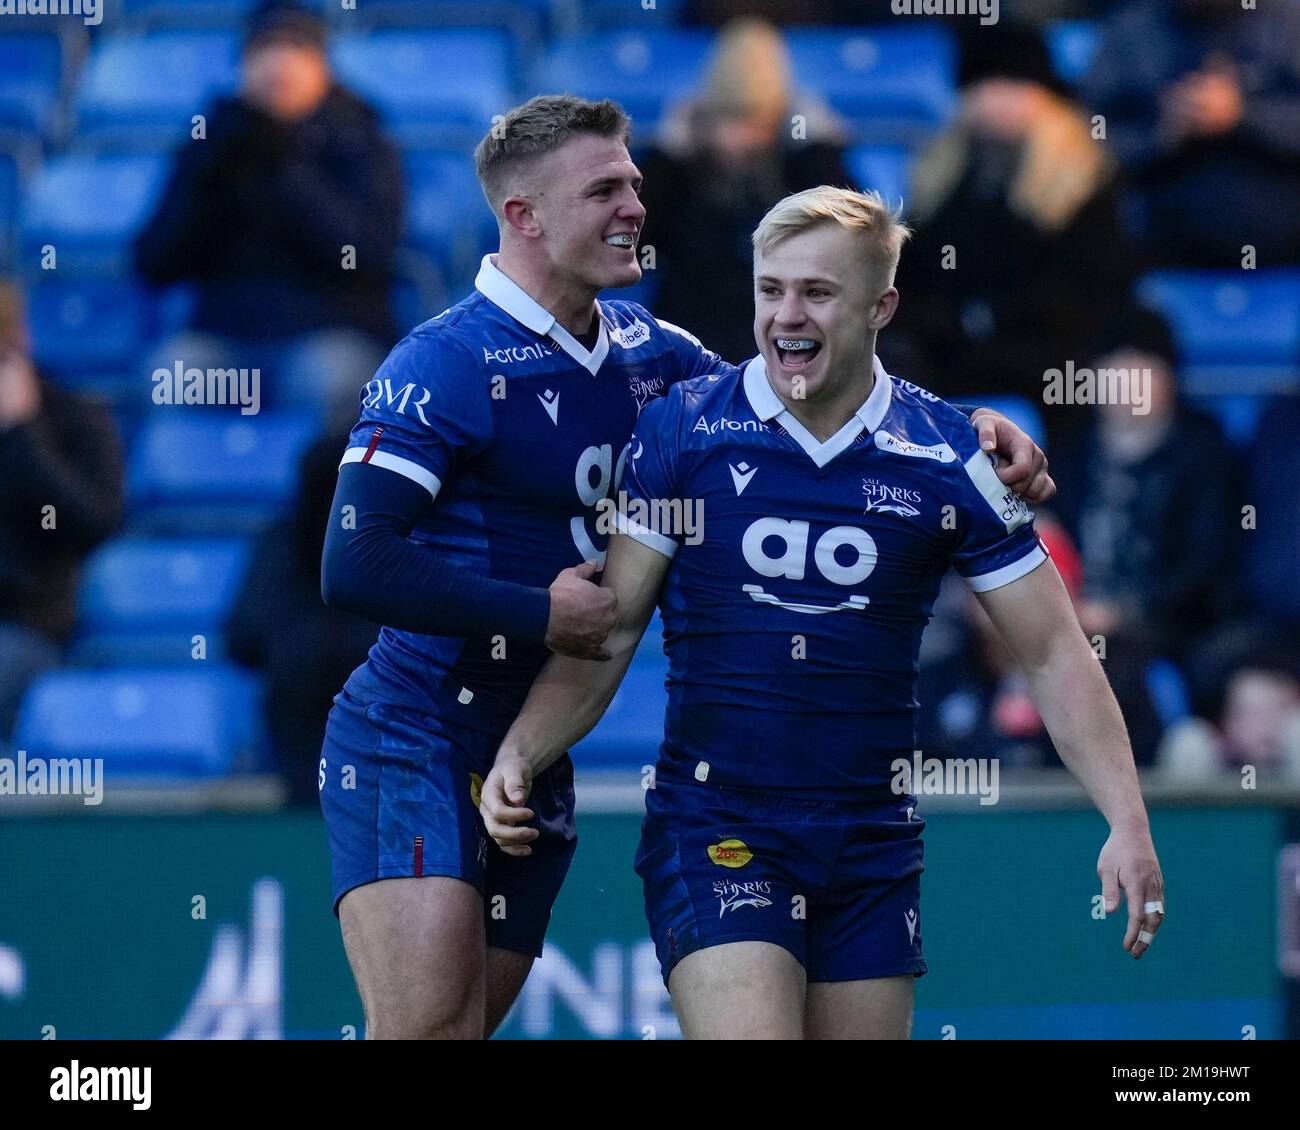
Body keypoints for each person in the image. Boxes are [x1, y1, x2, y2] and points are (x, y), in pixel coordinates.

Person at [318, 96, 1053, 1040]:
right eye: (605, 189)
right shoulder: (444, 359)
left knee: (459, 1033)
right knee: (421, 1027)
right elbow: (354, 561)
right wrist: (538, 614)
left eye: (634, 182)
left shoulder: (653, 358)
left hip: (537, 739)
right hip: (413, 730)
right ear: (524, 216)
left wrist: (972, 429)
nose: (636, 205)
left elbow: (806, 383)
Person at [481, 187, 1165, 1040]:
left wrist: (1127, 822)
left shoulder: (951, 455)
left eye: (816, 292)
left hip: (870, 840)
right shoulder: (685, 430)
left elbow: (1055, 653)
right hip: (719, 825)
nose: (786, 316)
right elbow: (611, 630)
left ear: (881, 307)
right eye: (770, 290)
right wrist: (523, 748)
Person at [133, 0, 403, 431]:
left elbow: (362, 254)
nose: (279, 64)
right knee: (173, 374)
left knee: (324, 378)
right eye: (264, 48)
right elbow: (154, 262)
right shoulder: (214, 140)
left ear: (322, 65)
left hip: (329, 330)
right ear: (242, 64)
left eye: (296, 47)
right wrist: (212, 169)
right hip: (226, 337)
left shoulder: (360, 136)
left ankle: (317, 500)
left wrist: (281, 165)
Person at [886, 24, 1136, 445]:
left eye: (1014, 84)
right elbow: (914, 283)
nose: (998, 99)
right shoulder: (940, 183)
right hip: (951, 364)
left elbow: (1088, 295)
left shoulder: (1085, 183)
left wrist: (987, 327)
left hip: (1050, 373)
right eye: (986, 84)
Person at [637, 17, 852, 363]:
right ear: (709, 120)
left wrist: (819, 149)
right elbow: (632, 242)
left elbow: (855, 243)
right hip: (693, 340)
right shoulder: (680, 175)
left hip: (790, 343)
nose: (743, 139)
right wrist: (666, 156)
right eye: (732, 119)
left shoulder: (800, 168)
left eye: (756, 121)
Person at [1081, 0, 1300, 266]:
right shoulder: (1130, 30)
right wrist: (1163, 134)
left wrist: (1244, 115)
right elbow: (1092, 136)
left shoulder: (1289, 22)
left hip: (1283, 252)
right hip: (1163, 257)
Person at [0, 280, 123, 740]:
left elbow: (93, 523)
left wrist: (22, 434)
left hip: (25, 624)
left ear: (16, 345)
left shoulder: (73, 419)